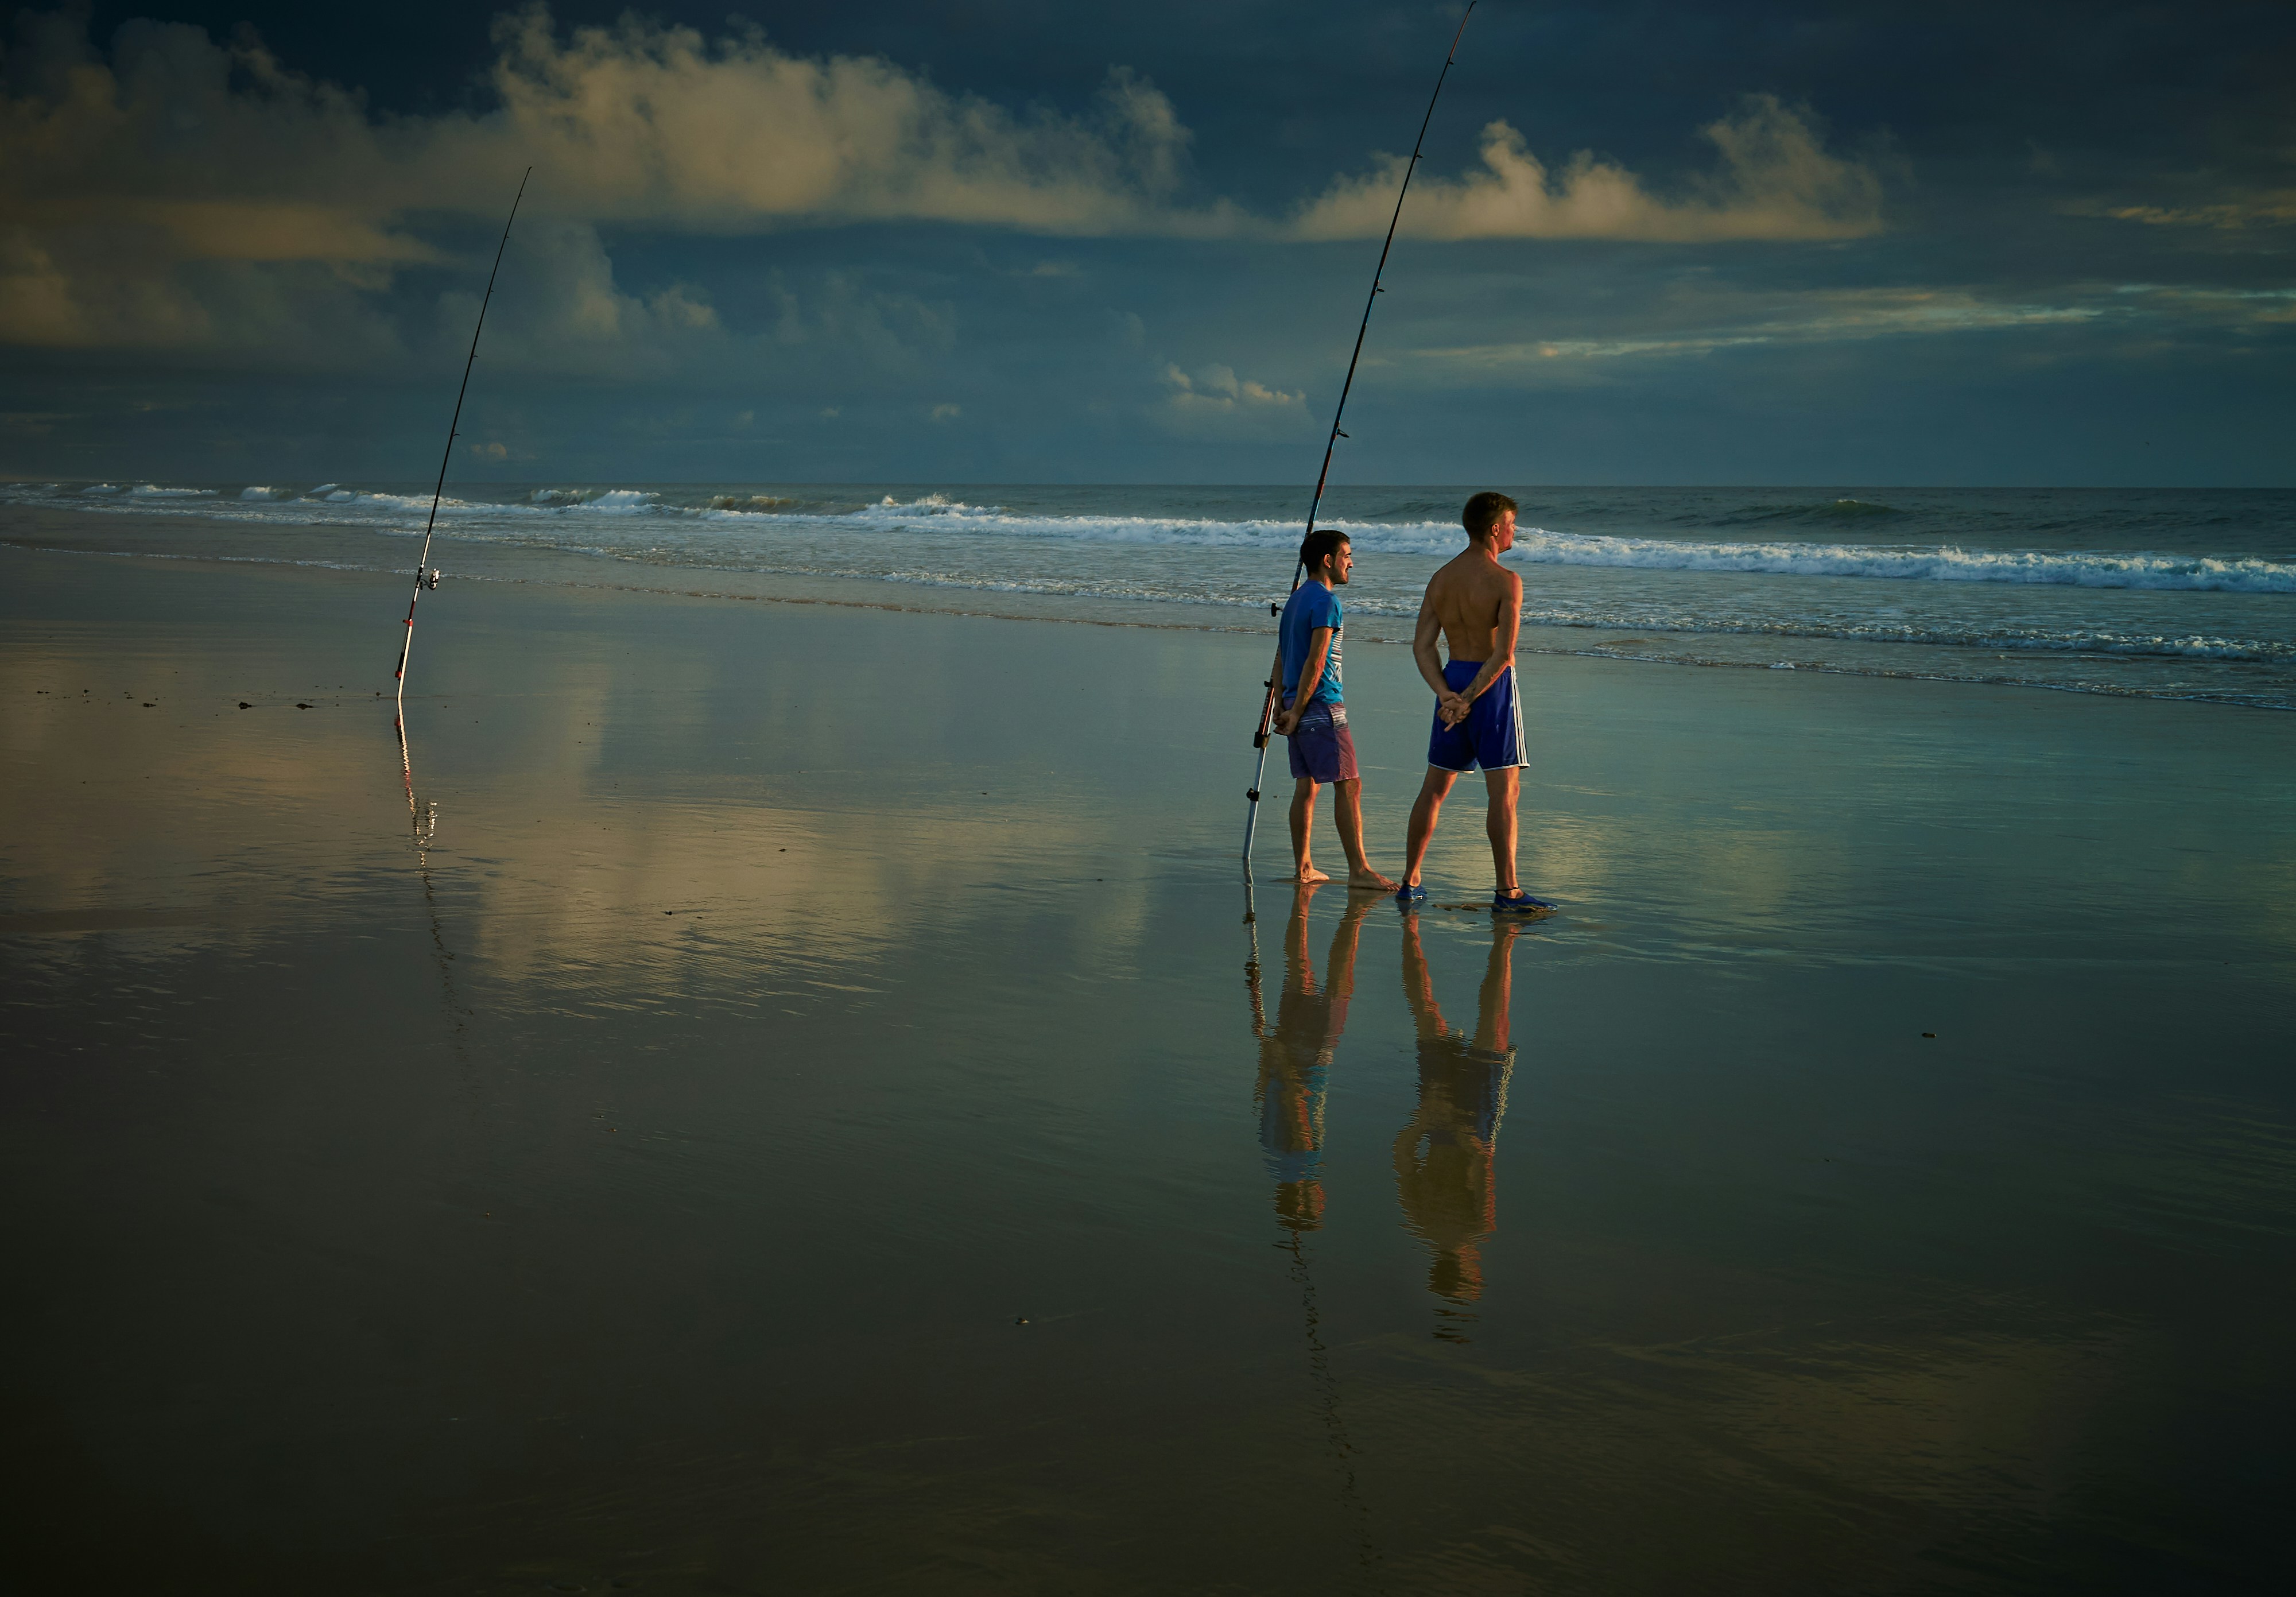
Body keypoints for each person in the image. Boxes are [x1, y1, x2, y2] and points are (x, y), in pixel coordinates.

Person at [1395, 492, 1554, 912]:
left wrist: (1446, 694)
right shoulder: (1507, 581)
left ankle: (1410, 881)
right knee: (1504, 792)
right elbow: (1503, 654)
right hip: (1491, 688)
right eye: (1513, 524)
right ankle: (1508, 891)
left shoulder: (1441, 578)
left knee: (1434, 788)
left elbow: (1423, 646)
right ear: (1496, 529)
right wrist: (1467, 698)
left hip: (1453, 680)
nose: (1515, 531)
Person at [1393, 914, 1522, 1331]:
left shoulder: (1476, 1228)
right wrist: (1427, 1118)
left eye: (1474, 1281)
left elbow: (1482, 1162)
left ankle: (1506, 940)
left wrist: (1447, 1122)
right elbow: (1401, 1153)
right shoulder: (1419, 1221)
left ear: (1467, 1271)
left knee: (1494, 1018)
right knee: (1425, 1013)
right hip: (1438, 1123)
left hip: (1469, 1123)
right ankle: (1409, 928)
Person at [1273, 529, 1394, 890]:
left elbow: (1280, 657)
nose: (1351, 562)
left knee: (1307, 787)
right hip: (1321, 703)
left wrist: (1286, 703)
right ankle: (1359, 870)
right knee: (1349, 784)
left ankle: (1305, 867)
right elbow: (1316, 659)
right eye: (1346, 555)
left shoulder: (1295, 601)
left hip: (1297, 702)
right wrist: (1298, 711)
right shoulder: (1327, 602)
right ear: (1328, 560)